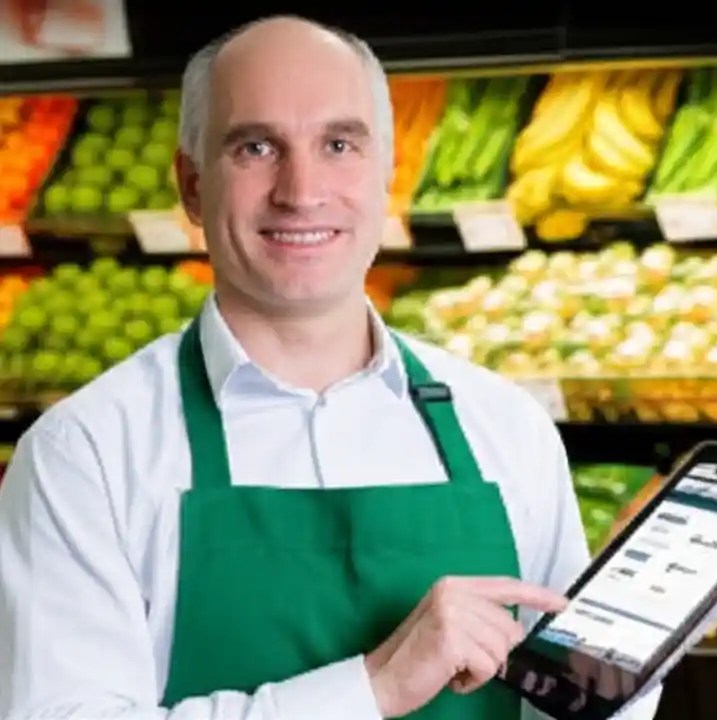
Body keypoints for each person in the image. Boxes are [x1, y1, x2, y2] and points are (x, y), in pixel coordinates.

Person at [0, 15, 661, 720]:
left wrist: (634, 666)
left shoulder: (507, 427)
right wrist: (371, 688)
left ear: (387, 175)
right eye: (256, 147)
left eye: (339, 144)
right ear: (192, 186)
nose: (301, 189)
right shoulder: (88, 454)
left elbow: (566, 707)